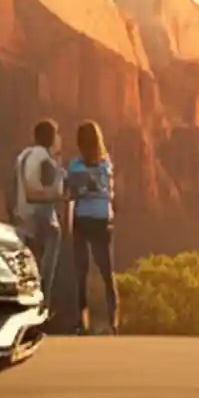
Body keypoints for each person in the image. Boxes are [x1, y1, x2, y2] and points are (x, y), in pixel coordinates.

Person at [67, 120, 118, 335]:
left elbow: (72, 193)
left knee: (81, 271)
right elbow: (110, 194)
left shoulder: (75, 166)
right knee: (107, 272)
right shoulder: (107, 167)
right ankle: (113, 321)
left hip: (83, 218)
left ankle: (82, 322)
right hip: (102, 219)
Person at [9, 119, 65, 306]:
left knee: (26, 264)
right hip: (39, 216)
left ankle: (27, 302)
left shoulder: (22, 156)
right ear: (51, 138)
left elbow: (11, 188)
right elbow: (35, 192)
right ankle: (43, 300)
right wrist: (60, 194)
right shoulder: (44, 159)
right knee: (53, 238)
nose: (60, 139)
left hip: (20, 217)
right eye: (57, 135)